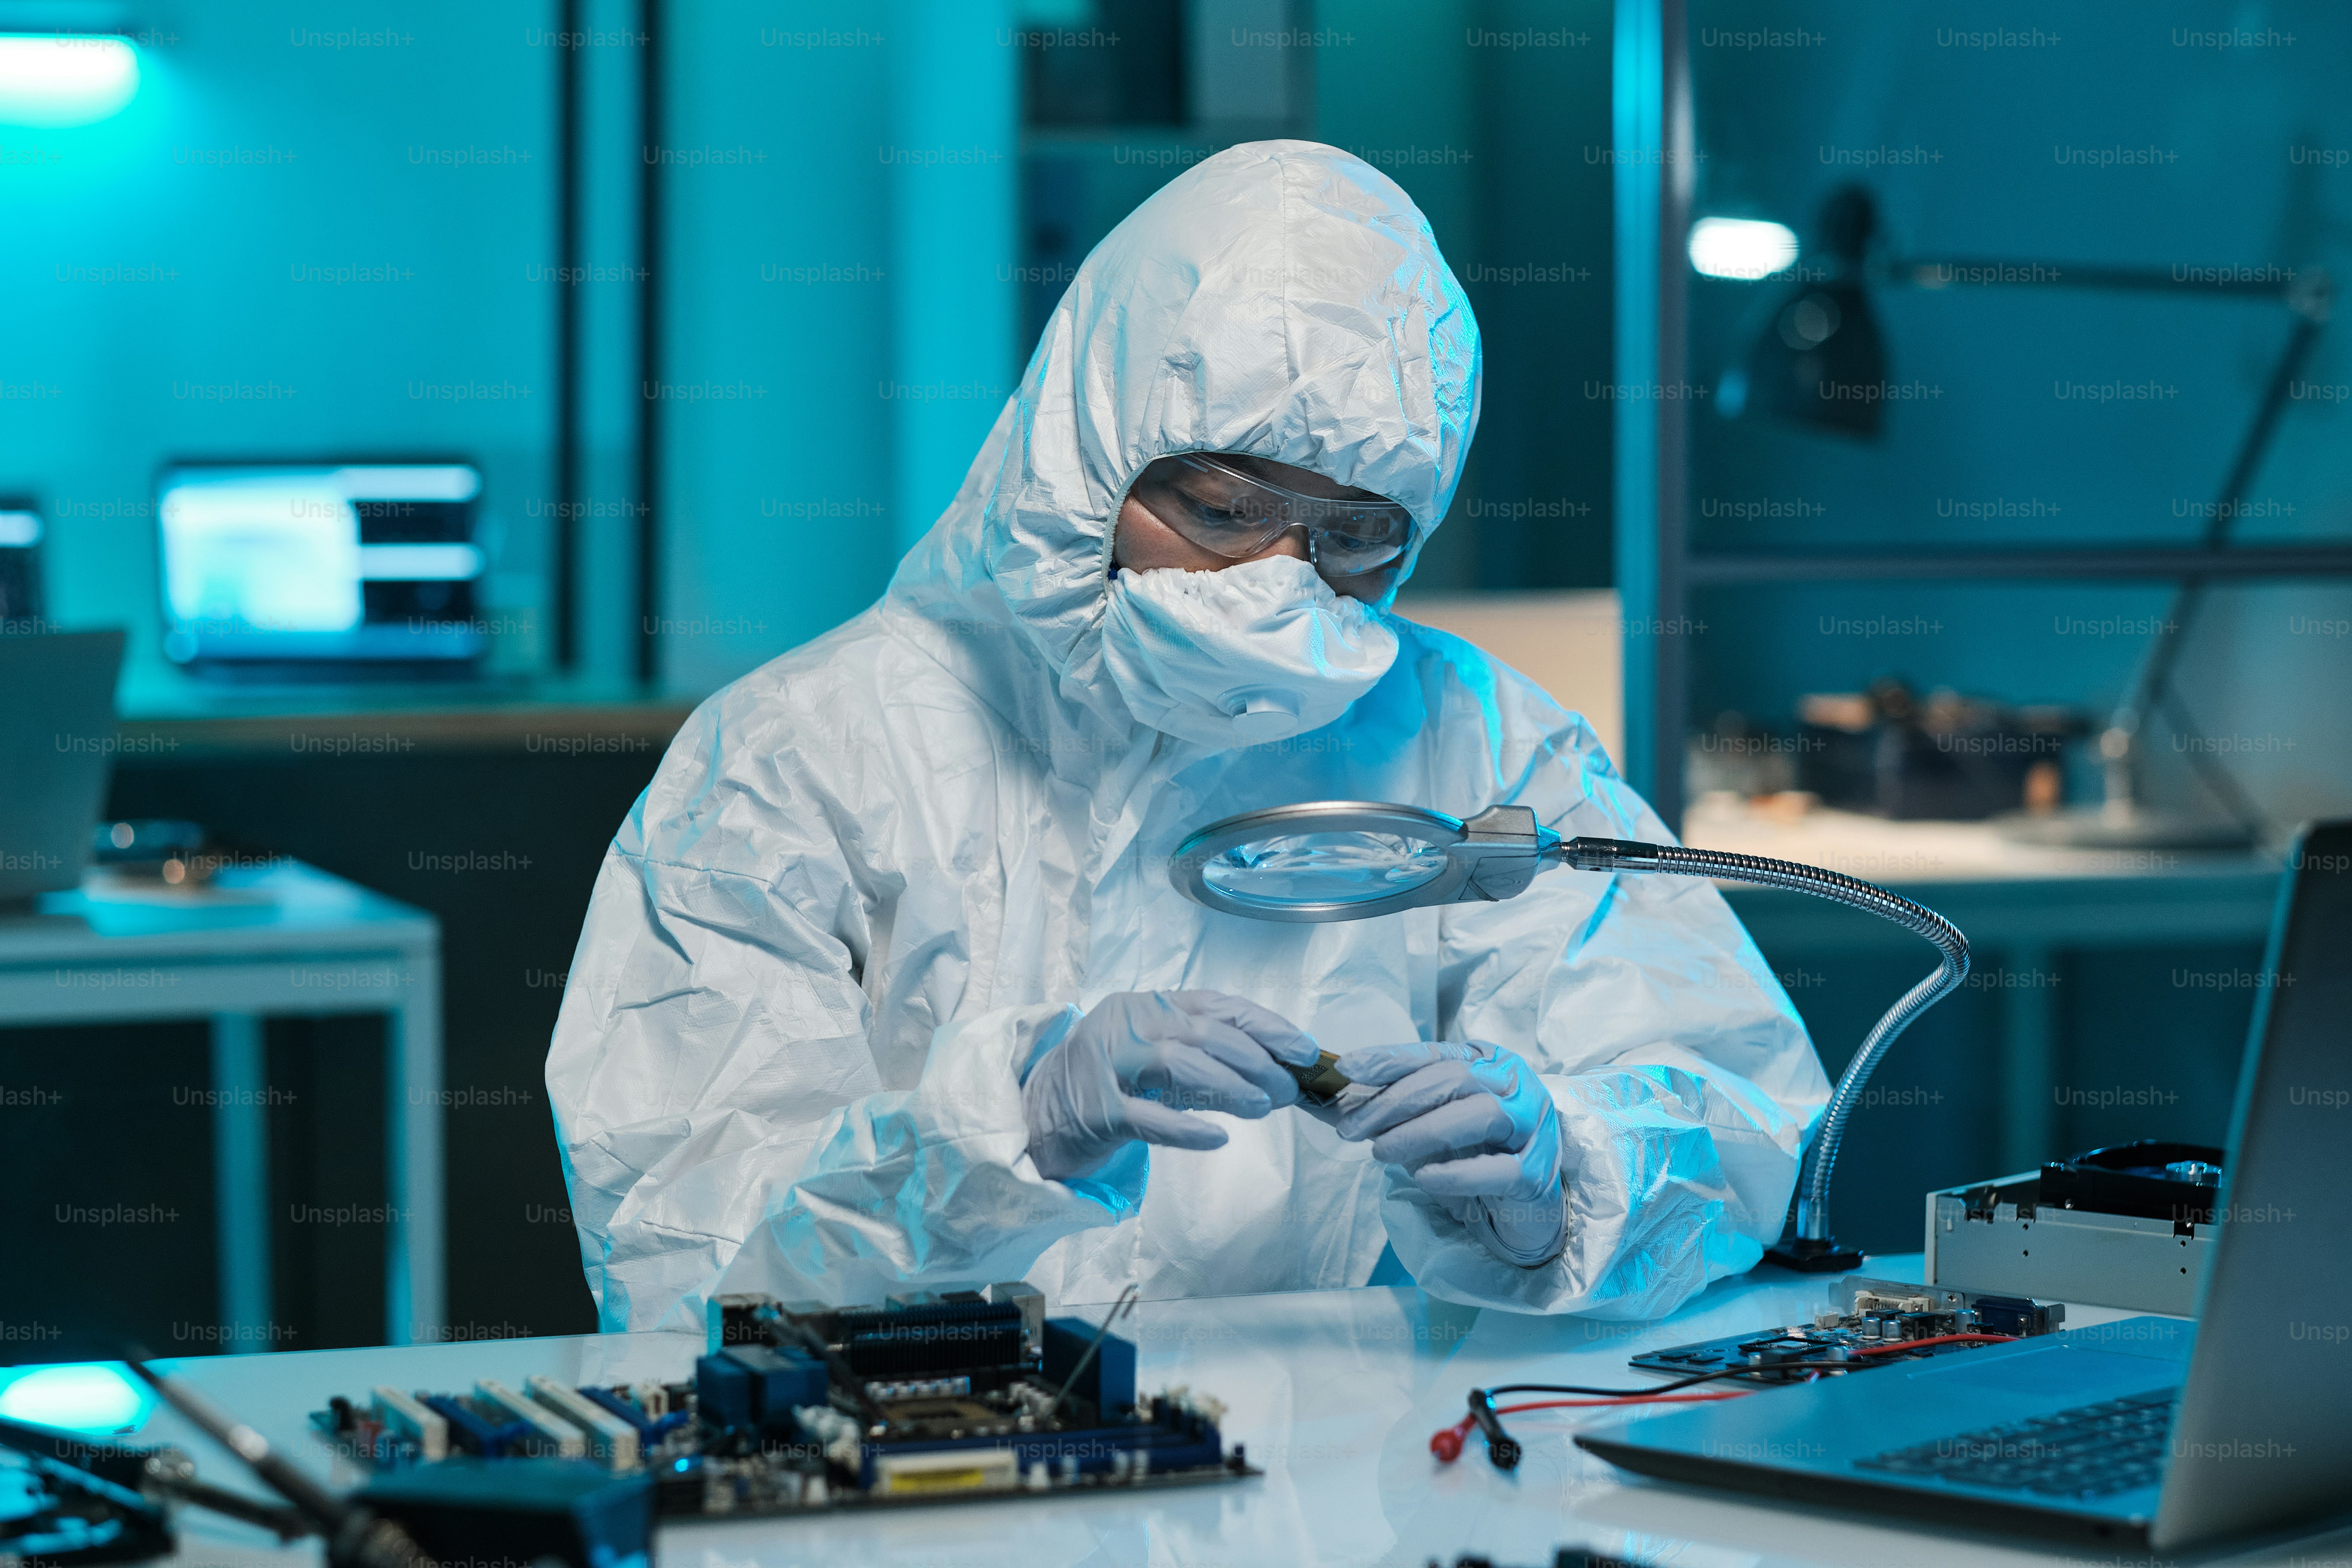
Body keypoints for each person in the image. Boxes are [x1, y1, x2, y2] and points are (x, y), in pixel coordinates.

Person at [546, 141, 1828, 1333]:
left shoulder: (1478, 743)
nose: (1276, 585)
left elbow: (1734, 1105)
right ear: (1088, 444)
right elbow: (678, 1246)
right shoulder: (795, 755)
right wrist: (1005, 1126)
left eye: (1356, 537)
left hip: (1331, 1474)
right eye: (1220, 508)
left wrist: (1567, 1174)